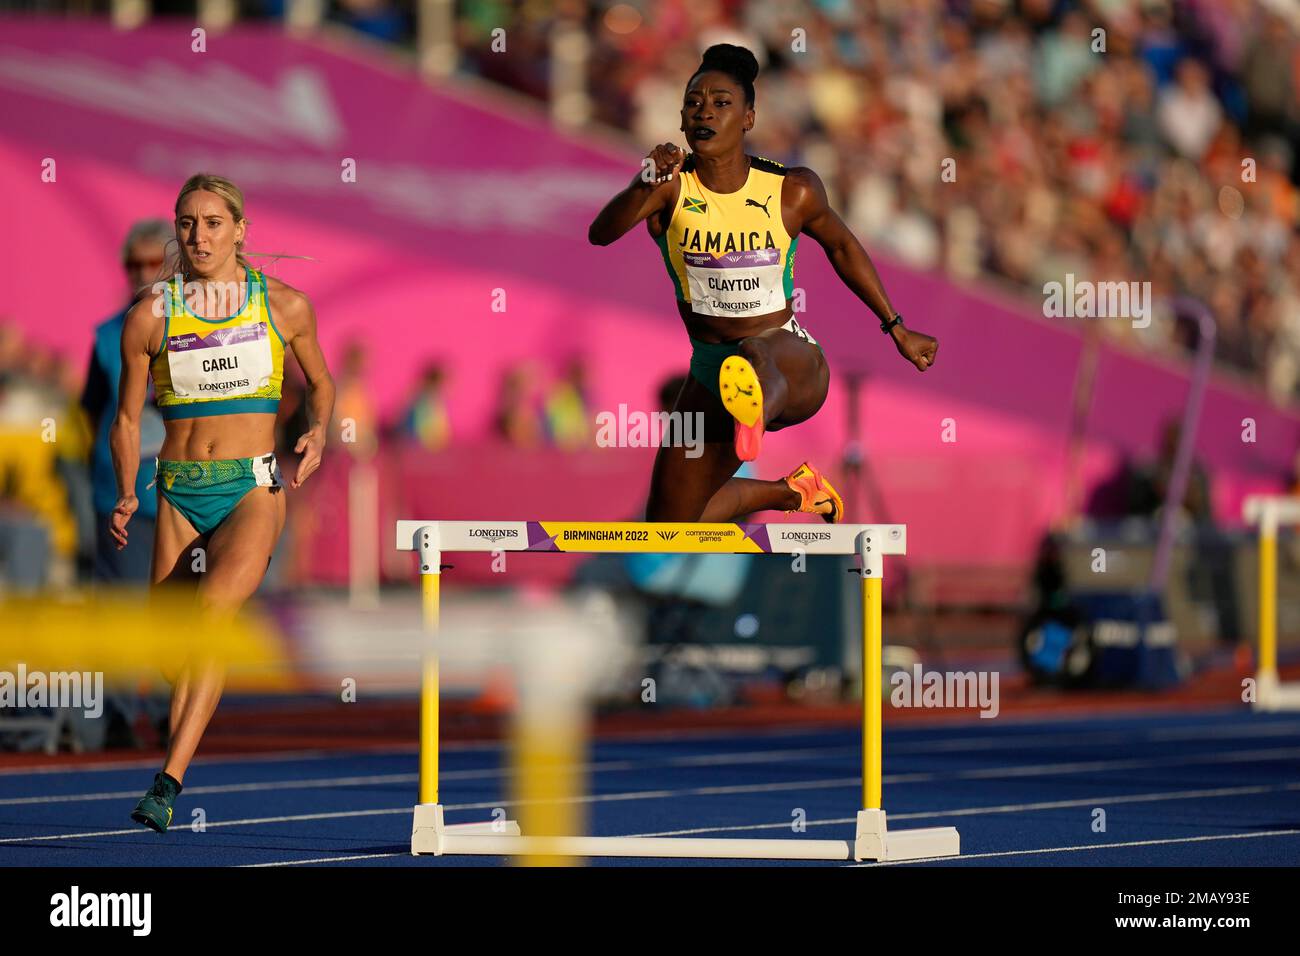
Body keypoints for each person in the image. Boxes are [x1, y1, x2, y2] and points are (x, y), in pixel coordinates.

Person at [588, 44, 937, 524]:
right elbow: (600, 234)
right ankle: (794, 492)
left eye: (721, 102)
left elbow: (843, 248)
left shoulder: (792, 189)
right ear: (683, 119)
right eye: (694, 102)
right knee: (670, 524)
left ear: (748, 118)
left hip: (791, 362)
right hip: (711, 368)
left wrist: (896, 326)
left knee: (754, 353)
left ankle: (755, 405)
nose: (705, 110)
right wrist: (644, 181)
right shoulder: (668, 187)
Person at [112, 174, 335, 831]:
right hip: (178, 492)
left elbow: (321, 382)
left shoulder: (283, 305)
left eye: (213, 222)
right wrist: (126, 491)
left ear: (240, 228)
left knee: (210, 620)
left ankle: (167, 782)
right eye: (187, 223)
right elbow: (126, 422)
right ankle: (175, 751)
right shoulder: (151, 315)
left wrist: (319, 427)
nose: (199, 235)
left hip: (252, 489)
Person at [82, 220, 171, 583]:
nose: (141, 273)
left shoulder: (202, 326)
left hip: (188, 492)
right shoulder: (107, 336)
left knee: (186, 614)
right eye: (133, 265)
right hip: (122, 496)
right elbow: (91, 409)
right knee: (127, 610)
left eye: (152, 262)